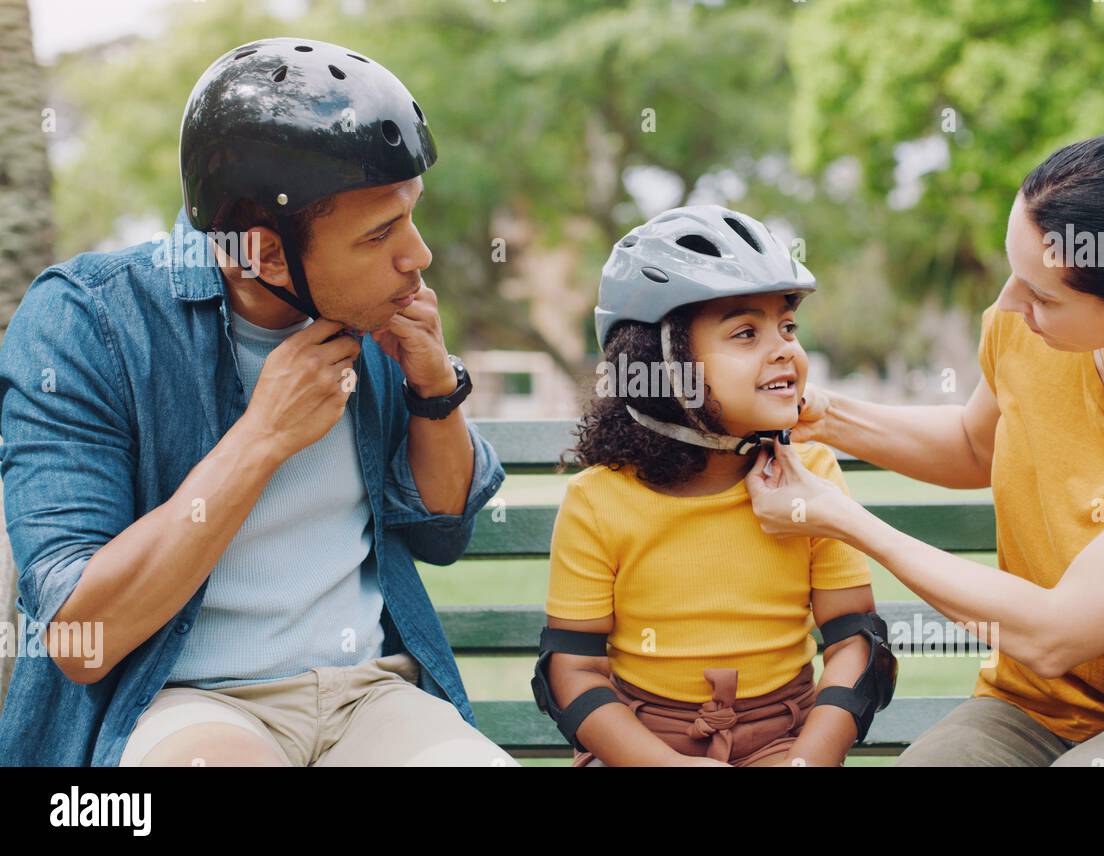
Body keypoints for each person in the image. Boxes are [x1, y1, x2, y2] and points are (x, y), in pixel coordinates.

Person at [0, 37, 515, 766]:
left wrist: (435, 393)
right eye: (379, 234)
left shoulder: (370, 312)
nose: (418, 256)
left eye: (410, 215)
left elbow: (442, 535)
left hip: (370, 695)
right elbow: (84, 639)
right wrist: (263, 436)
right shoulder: (89, 323)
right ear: (263, 253)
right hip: (182, 703)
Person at [746, 129, 1104, 766]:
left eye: (1041, 295)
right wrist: (825, 415)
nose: (1009, 304)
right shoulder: (1035, 334)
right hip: (1032, 708)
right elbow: (971, 446)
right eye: (1016, 273)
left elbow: (1054, 633)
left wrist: (842, 518)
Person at [533, 204, 896, 767]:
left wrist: (808, 759)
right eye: (746, 332)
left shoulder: (812, 476)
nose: (785, 350)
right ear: (663, 363)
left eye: (788, 326)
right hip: (643, 748)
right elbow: (573, 670)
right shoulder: (597, 500)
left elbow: (854, 643)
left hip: (787, 739)